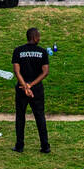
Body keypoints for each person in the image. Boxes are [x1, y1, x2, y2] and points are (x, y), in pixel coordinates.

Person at [11, 27, 51, 155]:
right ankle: (45, 146)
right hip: (37, 89)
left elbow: (16, 71)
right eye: (38, 36)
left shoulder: (18, 51)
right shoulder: (42, 52)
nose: (39, 38)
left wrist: (25, 86)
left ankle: (19, 145)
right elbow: (45, 72)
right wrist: (31, 85)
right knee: (40, 117)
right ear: (34, 37)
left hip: (21, 89)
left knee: (20, 117)